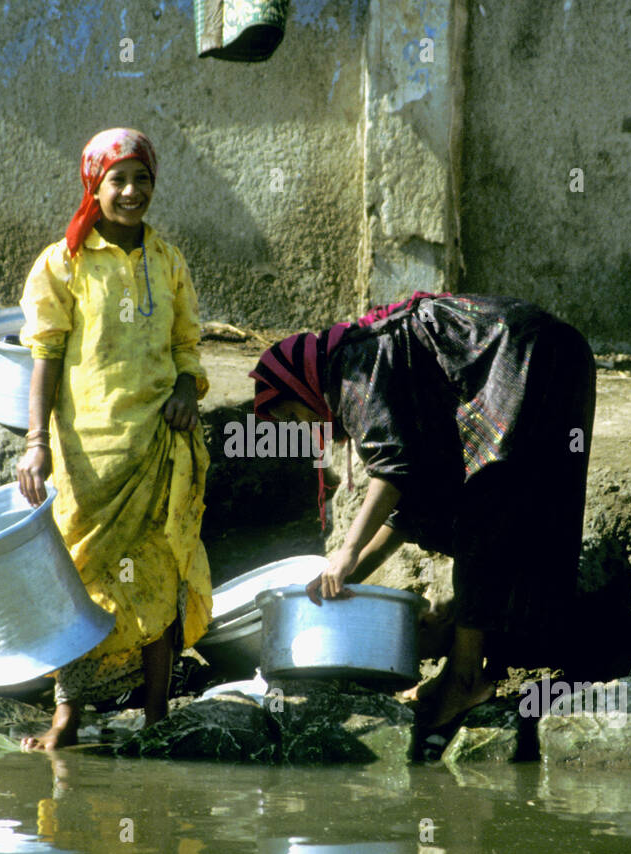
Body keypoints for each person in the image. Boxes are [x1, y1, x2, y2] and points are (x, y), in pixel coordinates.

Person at [250, 292, 596, 731]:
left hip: (524, 355)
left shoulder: (352, 368)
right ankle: (481, 664)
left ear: (300, 384)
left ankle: (467, 677)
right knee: (496, 504)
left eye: (294, 415)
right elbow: (413, 495)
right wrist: (352, 574)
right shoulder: (364, 360)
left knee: (487, 503)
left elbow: (392, 470)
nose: (304, 427)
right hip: (552, 352)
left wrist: (346, 551)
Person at [16, 128, 212, 750]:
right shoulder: (63, 263)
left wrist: (186, 390)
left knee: (160, 573)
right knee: (79, 581)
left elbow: (187, 346)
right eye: (118, 180)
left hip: (157, 449)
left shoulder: (169, 261)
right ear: (94, 187)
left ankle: (156, 717)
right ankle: (67, 719)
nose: (131, 192)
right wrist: (35, 442)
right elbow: (44, 355)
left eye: (142, 179)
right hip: (88, 457)